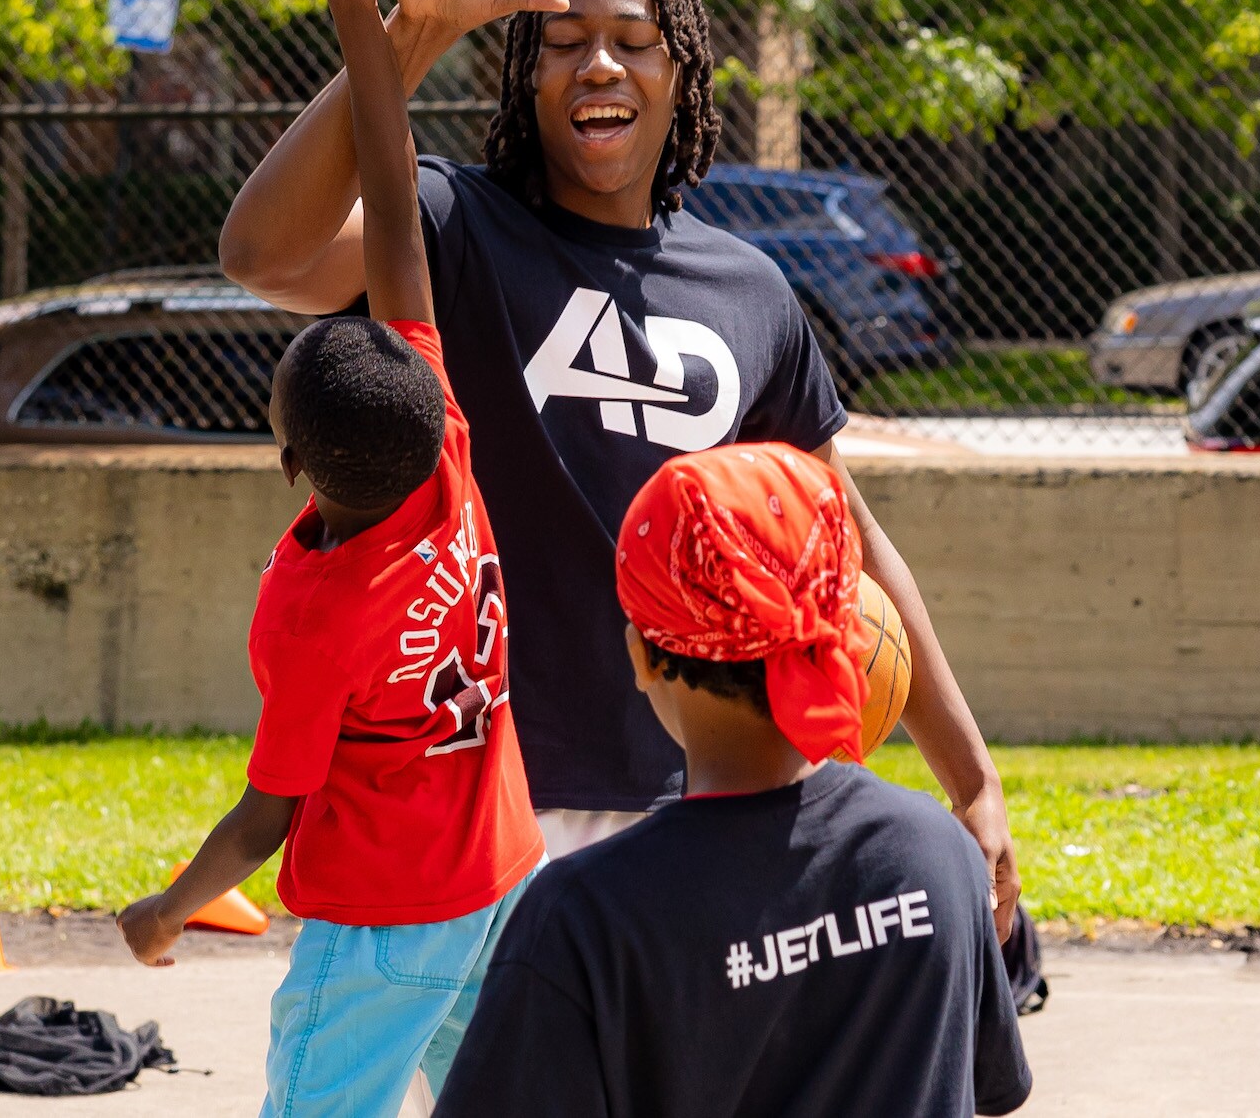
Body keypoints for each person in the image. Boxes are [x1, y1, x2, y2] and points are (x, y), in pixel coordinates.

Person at [216, 0, 1019, 937]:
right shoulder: (455, 223)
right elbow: (265, 256)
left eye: (633, 38)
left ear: (680, 70)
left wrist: (972, 779)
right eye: (562, 39)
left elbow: (851, 536)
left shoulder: (749, 289)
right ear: (525, 75)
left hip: (691, 801)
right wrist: (409, 27)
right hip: (479, 810)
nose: (598, 60)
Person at [117, 0, 544, 1116]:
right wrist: (367, 22)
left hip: (387, 923)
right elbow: (397, 221)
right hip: (497, 873)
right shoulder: (446, 461)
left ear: (290, 460)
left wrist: (164, 907)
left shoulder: (308, 613)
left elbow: (268, 816)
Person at [431, 443, 1032, 1117]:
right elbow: (991, 1086)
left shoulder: (581, 919)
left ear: (642, 654)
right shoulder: (938, 856)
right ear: (846, 626)